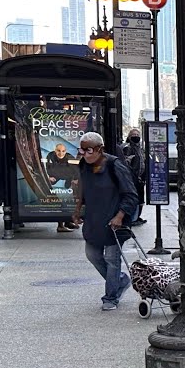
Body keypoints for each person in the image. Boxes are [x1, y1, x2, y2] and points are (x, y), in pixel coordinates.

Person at [72, 132, 139, 311]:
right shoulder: (84, 165)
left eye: (89, 150)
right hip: (94, 220)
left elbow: (131, 194)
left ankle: (111, 297)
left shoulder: (114, 165)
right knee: (92, 255)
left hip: (113, 221)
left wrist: (120, 216)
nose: (85, 154)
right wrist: (78, 209)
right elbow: (83, 189)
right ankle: (120, 281)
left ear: (100, 149)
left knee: (111, 259)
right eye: (82, 150)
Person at [45, 143, 79, 233]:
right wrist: (49, 176)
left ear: (66, 151)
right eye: (58, 151)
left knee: (69, 200)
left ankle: (67, 222)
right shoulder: (50, 155)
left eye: (63, 151)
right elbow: (47, 167)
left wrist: (75, 179)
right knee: (60, 199)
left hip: (68, 178)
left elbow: (76, 170)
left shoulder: (70, 157)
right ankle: (60, 225)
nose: (61, 153)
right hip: (56, 177)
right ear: (55, 150)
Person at [122, 128, 147, 226]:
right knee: (133, 198)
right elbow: (125, 163)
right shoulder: (127, 148)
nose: (136, 136)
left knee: (141, 199)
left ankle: (137, 217)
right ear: (129, 137)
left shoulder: (141, 148)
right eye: (133, 135)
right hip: (132, 178)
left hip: (141, 178)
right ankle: (132, 218)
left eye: (137, 134)